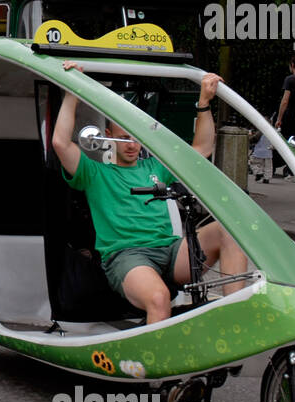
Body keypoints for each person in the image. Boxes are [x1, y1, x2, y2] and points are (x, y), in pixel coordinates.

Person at [51, 63, 248, 325]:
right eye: (124, 138)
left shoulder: (154, 166)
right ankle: (157, 364)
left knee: (230, 229)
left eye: (136, 138)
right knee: (158, 298)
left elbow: (201, 149)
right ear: (109, 136)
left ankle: (235, 321)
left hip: (170, 251)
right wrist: (72, 90)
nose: (132, 145)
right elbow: (60, 143)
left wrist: (204, 103)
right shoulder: (95, 173)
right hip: (127, 256)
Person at [272, 54, 295, 180]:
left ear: (292, 65)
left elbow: (285, 101)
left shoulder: (290, 80)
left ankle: (287, 167)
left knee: (287, 141)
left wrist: (279, 118)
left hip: (290, 115)